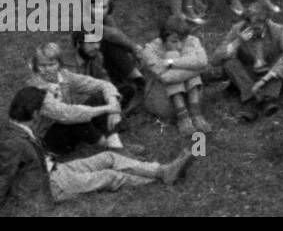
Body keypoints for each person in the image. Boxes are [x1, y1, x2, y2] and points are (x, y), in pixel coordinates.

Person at [0, 88, 193, 209]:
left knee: (109, 157)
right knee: (109, 176)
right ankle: (163, 175)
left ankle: (163, 171)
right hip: (51, 186)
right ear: (34, 113)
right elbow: (4, 175)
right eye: (42, 110)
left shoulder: (18, 128)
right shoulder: (13, 141)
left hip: (55, 170)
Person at [24, 42, 130, 155]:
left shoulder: (65, 76)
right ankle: (113, 148)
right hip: (51, 139)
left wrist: (113, 105)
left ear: (59, 64)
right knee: (76, 117)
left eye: (51, 64)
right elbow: (67, 115)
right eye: (42, 65)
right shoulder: (36, 89)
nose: (47, 69)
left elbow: (102, 84)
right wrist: (107, 109)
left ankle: (115, 144)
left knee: (98, 97)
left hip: (72, 127)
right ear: (36, 66)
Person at [212, 0, 283, 122]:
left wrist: (264, 80)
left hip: (271, 71)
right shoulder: (237, 30)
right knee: (229, 63)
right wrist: (238, 41)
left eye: (260, 23)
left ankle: (267, 99)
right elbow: (215, 60)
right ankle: (251, 99)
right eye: (251, 23)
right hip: (250, 72)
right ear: (246, 22)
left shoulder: (278, 30)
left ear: (266, 21)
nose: (255, 28)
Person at [137, 14, 211, 134]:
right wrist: (195, 69)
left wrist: (172, 63)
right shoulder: (150, 50)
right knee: (175, 55)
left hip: (192, 98)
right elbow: (165, 77)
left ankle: (194, 114)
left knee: (178, 57)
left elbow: (203, 62)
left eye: (183, 40)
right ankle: (184, 116)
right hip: (163, 101)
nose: (180, 45)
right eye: (174, 41)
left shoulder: (192, 40)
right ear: (163, 38)